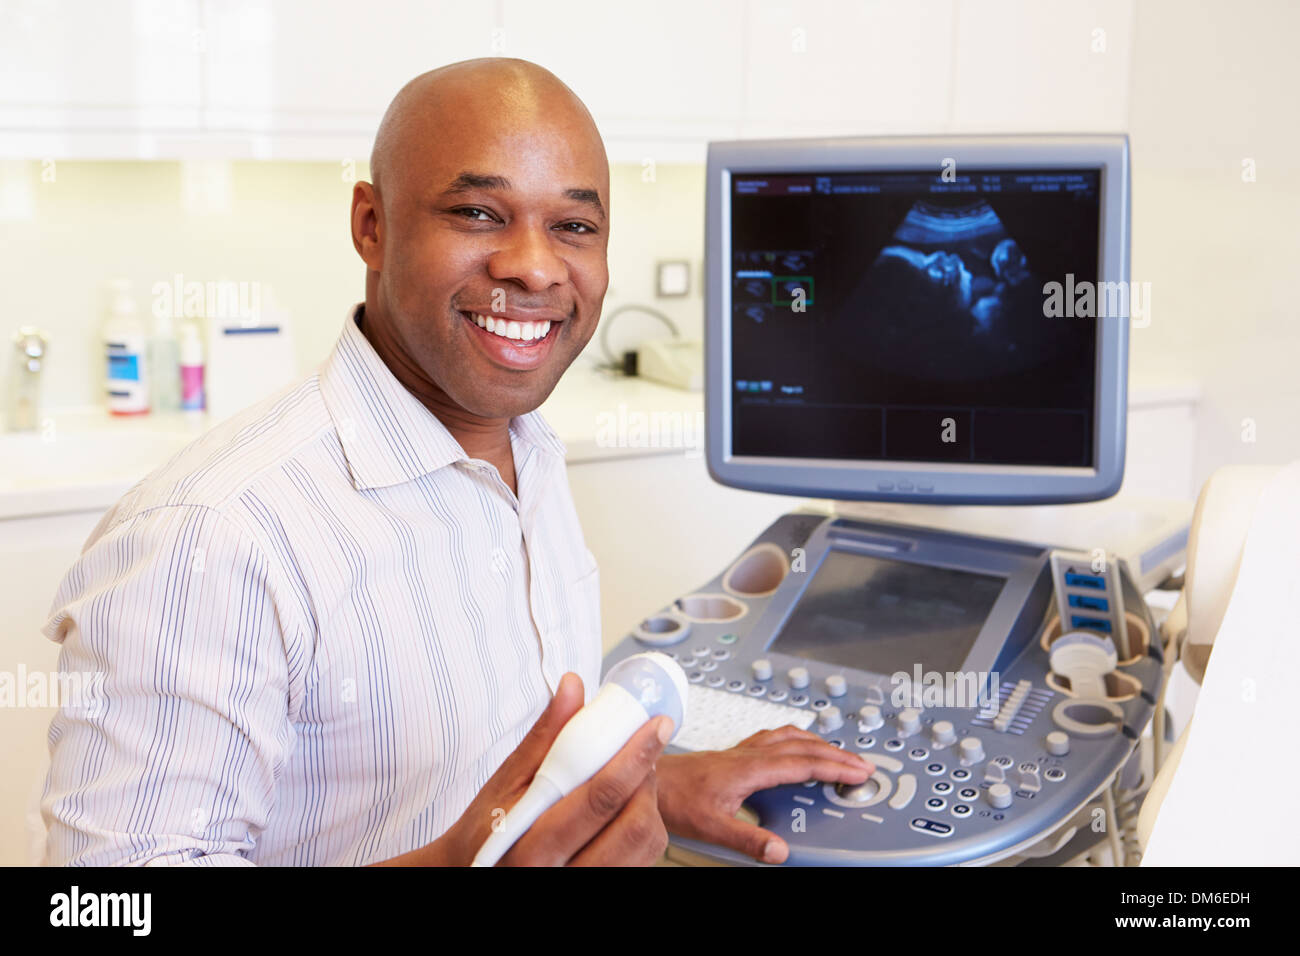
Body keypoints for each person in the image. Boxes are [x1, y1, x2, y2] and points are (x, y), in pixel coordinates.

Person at [40, 58, 871, 867]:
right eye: (478, 212)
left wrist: (635, 788)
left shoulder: (526, 448)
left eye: (574, 226)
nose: (534, 265)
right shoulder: (210, 538)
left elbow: (490, 759)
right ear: (372, 224)